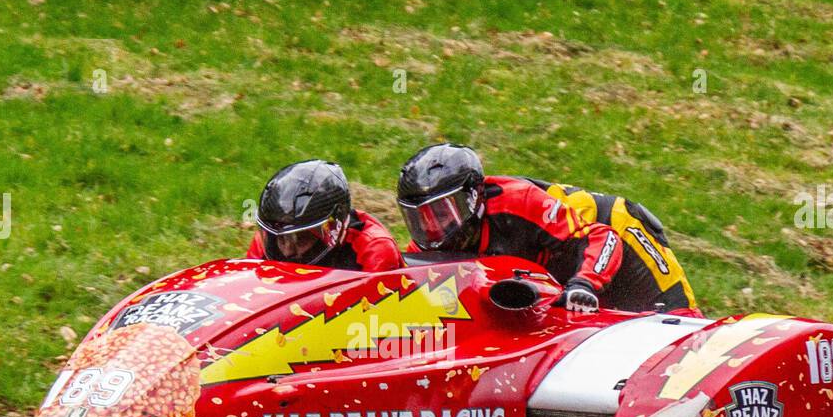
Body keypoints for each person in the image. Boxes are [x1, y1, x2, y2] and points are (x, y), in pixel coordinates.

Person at [395, 143, 696, 313]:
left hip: (617, 237)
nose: (432, 229)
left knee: (680, 325)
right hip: (563, 271)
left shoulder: (517, 202)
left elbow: (603, 238)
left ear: (473, 197)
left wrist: (584, 283)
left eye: (442, 213)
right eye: (419, 219)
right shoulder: (424, 250)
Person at [247, 159, 401, 271]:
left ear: (335, 226)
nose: (287, 251)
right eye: (282, 239)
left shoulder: (375, 251)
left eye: (300, 239)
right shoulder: (265, 240)